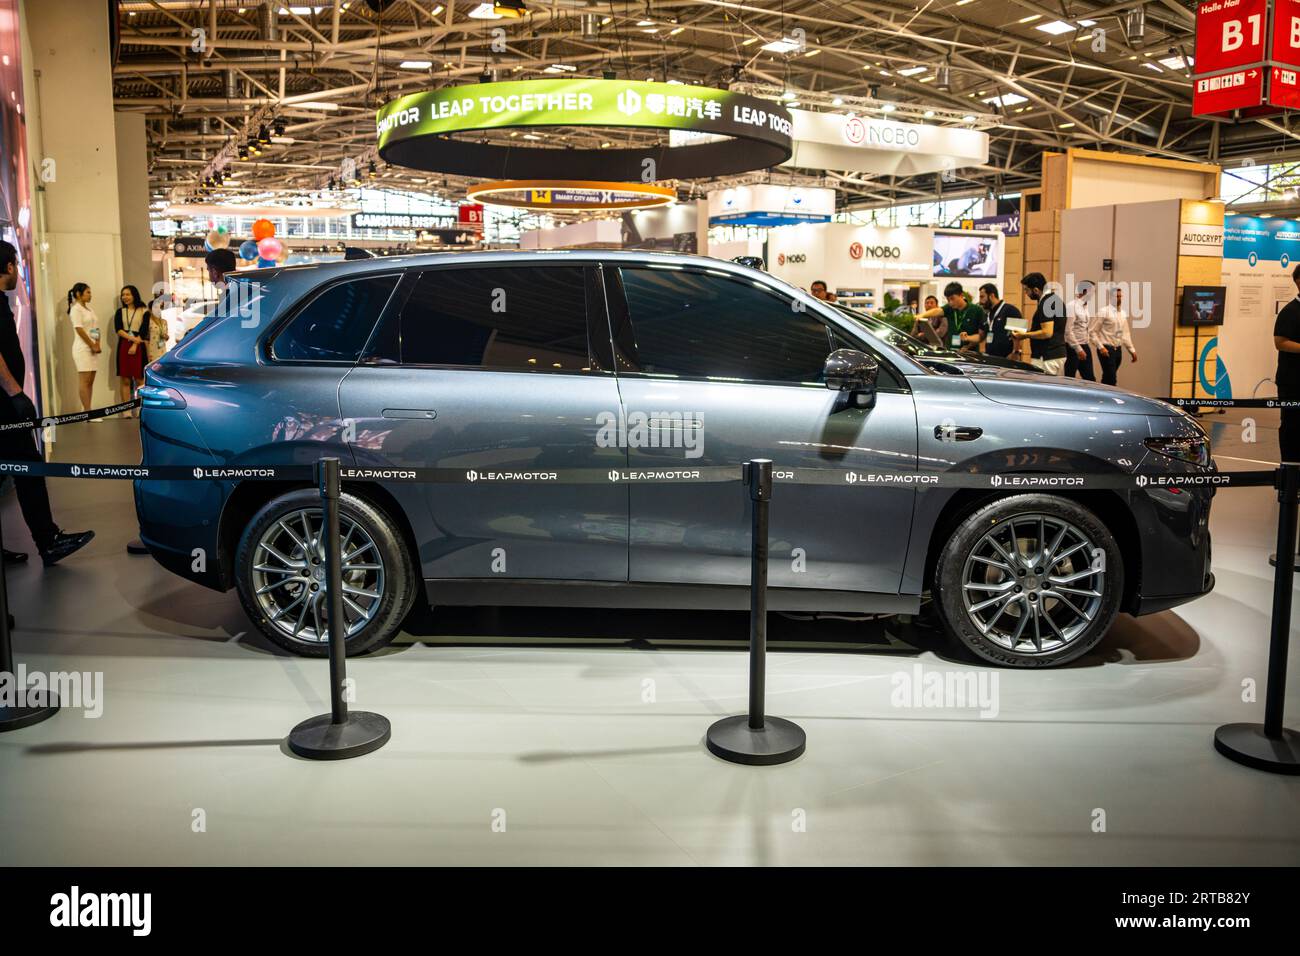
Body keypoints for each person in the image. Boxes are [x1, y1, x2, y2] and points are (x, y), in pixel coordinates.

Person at [0, 241, 95, 566]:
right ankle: (48, 540)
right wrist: (15, 393)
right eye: (15, 264)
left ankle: (47, 538)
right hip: (4, 405)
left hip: (5, 403)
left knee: (19, 469)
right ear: (10, 267)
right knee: (28, 467)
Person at [1015, 272, 1068, 375]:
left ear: (1035, 290)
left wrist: (1024, 335)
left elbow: (1047, 332)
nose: (1026, 293)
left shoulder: (1046, 303)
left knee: (1044, 389)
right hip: (1056, 354)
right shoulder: (1055, 300)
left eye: (1027, 290)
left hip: (1047, 356)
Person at [1274, 264, 1300, 463]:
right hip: (1293, 382)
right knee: (1292, 427)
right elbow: (1280, 342)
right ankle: (1289, 477)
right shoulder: (1290, 311)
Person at [112, 285, 152, 415]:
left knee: (140, 379)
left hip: (138, 346)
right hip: (124, 344)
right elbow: (118, 329)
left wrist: (135, 344)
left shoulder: (144, 310)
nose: (125, 297)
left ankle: (141, 409)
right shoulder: (120, 312)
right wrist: (132, 339)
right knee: (125, 379)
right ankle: (126, 411)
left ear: (134, 295)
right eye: (123, 295)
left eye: (128, 294)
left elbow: (144, 330)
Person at [919, 281, 985, 351]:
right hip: (950, 351)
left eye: (952, 298)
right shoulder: (949, 308)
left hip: (969, 353)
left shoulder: (976, 310)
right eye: (948, 300)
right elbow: (937, 311)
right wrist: (921, 315)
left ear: (961, 295)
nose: (950, 302)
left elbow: (981, 336)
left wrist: (968, 344)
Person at [1093, 285, 1137, 386]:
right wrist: (1101, 347)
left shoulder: (1122, 313)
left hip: (1118, 350)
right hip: (1106, 349)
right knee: (1112, 379)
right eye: (1117, 296)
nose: (1119, 298)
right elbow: (1092, 332)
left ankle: (1102, 398)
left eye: (1120, 296)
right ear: (1111, 297)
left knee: (1107, 378)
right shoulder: (1103, 312)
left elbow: (1125, 333)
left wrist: (1132, 350)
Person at [67, 282, 100, 414]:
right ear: (78, 294)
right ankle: (87, 412)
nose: (90, 295)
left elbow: (95, 328)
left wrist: (97, 343)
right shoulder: (75, 309)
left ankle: (87, 409)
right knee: (84, 380)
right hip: (82, 348)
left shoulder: (90, 310)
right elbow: (79, 329)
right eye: (88, 292)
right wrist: (91, 344)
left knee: (90, 380)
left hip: (93, 348)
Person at [1063, 280, 1097, 381]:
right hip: (1073, 347)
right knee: (1069, 378)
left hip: (1084, 345)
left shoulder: (1085, 306)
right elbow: (1068, 330)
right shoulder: (1071, 306)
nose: (1093, 294)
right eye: (1092, 291)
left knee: (1090, 379)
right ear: (1085, 291)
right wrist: (1078, 349)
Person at [978, 282, 1021, 359]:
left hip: (1008, 358)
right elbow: (981, 335)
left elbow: (1019, 334)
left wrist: (1016, 352)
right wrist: (967, 338)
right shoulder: (987, 314)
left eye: (982, 297)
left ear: (991, 296)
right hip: (990, 358)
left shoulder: (1012, 310)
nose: (980, 301)